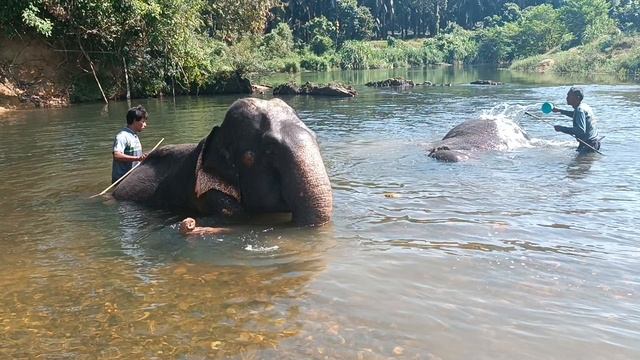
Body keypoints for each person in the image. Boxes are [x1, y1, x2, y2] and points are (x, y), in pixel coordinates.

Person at [552, 86, 601, 153]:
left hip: (588, 145)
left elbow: (580, 131)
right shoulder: (584, 106)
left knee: (580, 163)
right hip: (594, 142)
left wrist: (561, 128)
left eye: (569, 96)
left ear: (577, 98)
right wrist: (560, 111)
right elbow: (575, 115)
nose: (567, 98)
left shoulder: (579, 110)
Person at [112, 105, 148, 183]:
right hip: (122, 182)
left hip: (132, 179)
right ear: (135, 120)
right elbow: (117, 155)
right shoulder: (122, 136)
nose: (145, 125)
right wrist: (138, 158)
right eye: (143, 121)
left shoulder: (134, 136)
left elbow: (137, 157)